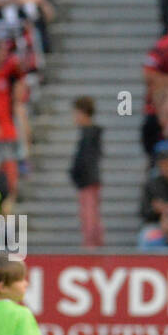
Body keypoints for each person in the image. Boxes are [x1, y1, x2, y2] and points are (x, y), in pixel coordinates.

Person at [70, 96, 105, 248]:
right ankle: (92, 244)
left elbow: (87, 160)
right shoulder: (88, 134)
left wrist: (78, 174)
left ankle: (91, 247)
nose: (74, 117)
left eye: (76, 113)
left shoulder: (89, 135)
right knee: (89, 215)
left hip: (88, 181)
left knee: (89, 215)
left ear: (83, 113)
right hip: (88, 180)